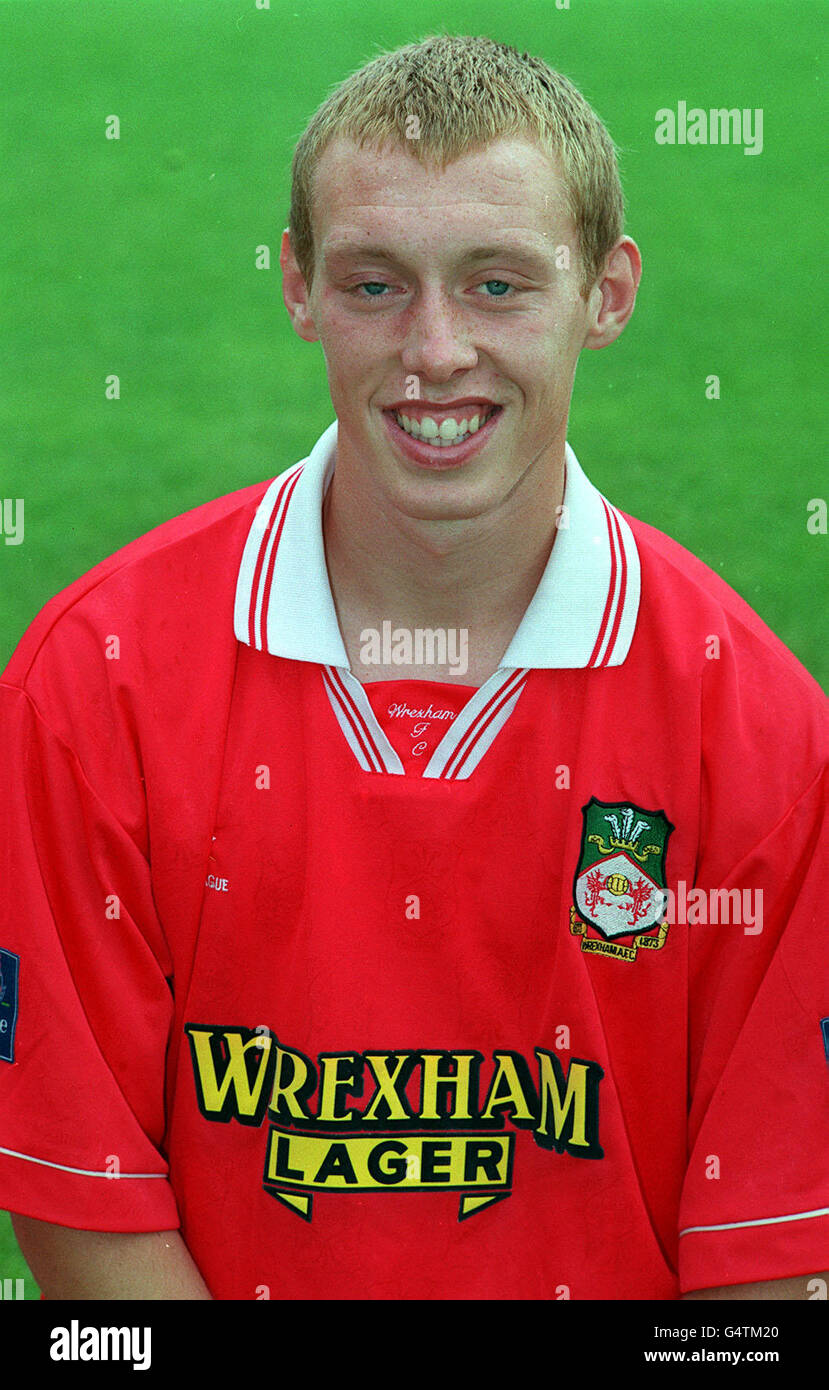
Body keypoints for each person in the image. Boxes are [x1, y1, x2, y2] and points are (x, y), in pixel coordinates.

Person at [1, 34, 826, 1302]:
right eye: (376, 285)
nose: (434, 351)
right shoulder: (90, 685)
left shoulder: (763, 733)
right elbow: (81, 1203)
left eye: (497, 285)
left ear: (608, 293)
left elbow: (767, 1258)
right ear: (297, 286)